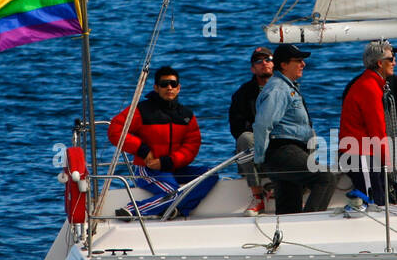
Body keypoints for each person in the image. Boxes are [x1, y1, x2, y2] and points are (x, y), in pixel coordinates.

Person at [108, 66, 218, 218]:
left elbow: (192, 146)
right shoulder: (141, 110)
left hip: (174, 167)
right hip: (147, 169)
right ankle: (133, 210)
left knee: (210, 175)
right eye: (164, 84)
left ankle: (176, 210)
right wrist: (142, 150)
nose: (169, 88)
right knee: (172, 193)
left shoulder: (186, 115)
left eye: (173, 84)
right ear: (156, 87)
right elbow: (115, 129)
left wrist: (168, 162)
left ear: (179, 88)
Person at [253, 44, 335, 214]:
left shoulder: (285, 87)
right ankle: (311, 226)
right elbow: (262, 124)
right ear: (283, 64)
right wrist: (260, 158)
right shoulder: (279, 88)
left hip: (284, 155)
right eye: (298, 60)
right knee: (325, 178)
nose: (303, 64)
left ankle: (291, 236)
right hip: (283, 152)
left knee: (289, 211)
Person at [339, 40, 394, 207]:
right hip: (360, 154)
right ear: (380, 63)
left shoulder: (370, 83)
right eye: (391, 59)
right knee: (373, 203)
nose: (394, 62)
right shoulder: (369, 87)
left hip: (361, 153)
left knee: (376, 198)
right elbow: (377, 130)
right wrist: (387, 161)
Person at [228, 46, 275, 215]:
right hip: (258, 141)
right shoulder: (242, 94)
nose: (264, 63)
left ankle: (303, 184)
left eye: (268, 59)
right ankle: (258, 197)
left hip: (283, 139)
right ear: (252, 68)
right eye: (258, 61)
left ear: (274, 64)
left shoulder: (287, 88)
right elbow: (237, 127)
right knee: (245, 139)